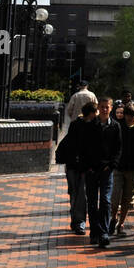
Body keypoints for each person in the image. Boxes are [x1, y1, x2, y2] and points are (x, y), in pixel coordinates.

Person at [76, 97, 123, 247]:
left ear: (111, 108)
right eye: (101, 107)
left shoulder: (115, 126)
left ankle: (103, 232)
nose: (104, 109)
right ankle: (94, 232)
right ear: (98, 109)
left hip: (106, 170)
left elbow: (118, 148)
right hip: (91, 170)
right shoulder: (90, 126)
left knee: (105, 200)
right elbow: (82, 148)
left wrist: (112, 165)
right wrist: (87, 167)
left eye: (106, 107)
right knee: (92, 202)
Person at [55, 99, 90, 234]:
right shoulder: (79, 126)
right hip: (76, 165)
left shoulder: (76, 124)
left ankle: (77, 220)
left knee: (77, 193)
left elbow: (69, 110)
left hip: (77, 166)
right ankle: (77, 220)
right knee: (78, 193)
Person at [111, 101, 134, 236]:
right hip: (118, 167)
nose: (129, 117)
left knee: (127, 199)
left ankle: (121, 224)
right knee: (115, 196)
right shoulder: (118, 126)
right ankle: (113, 219)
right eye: (127, 114)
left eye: (132, 115)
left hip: (132, 169)